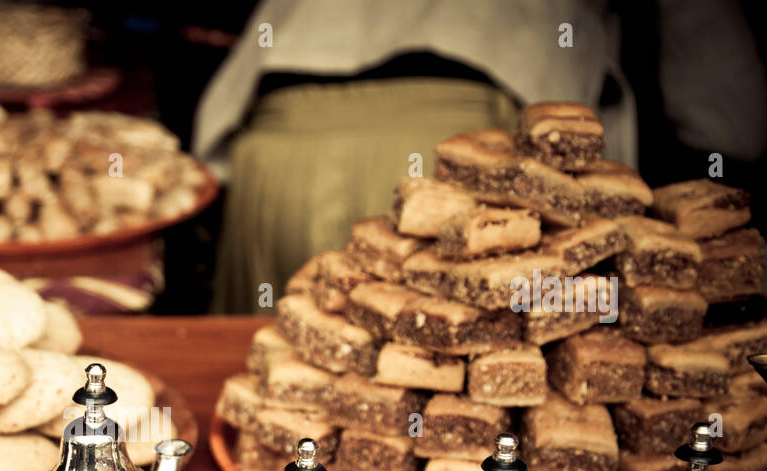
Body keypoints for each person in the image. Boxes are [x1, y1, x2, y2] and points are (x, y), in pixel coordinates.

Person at [194, 0, 764, 314]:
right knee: (459, 391)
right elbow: (730, 109)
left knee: (296, 389)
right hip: (470, 136)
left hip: (278, 146)